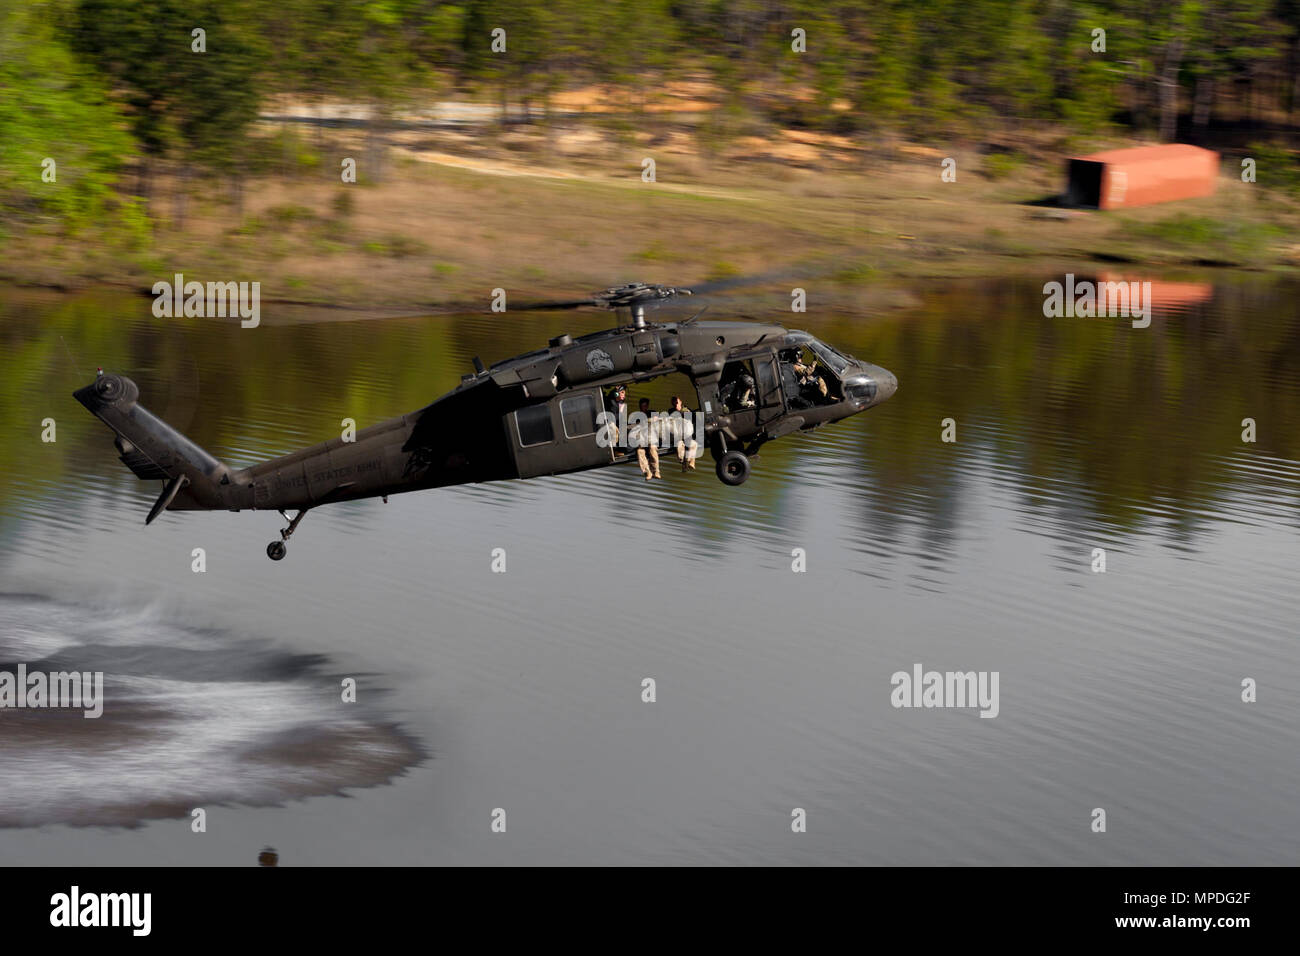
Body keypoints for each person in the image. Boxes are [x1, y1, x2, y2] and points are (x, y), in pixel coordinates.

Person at [629, 397, 661, 480]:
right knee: (640, 451)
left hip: (651, 438)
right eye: (643, 406)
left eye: (646, 405)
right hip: (642, 439)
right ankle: (647, 472)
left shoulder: (652, 413)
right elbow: (631, 427)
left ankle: (656, 471)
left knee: (652, 448)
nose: (644, 407)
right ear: (640, 406)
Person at [664, 395, 698, 471]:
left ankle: (691, 462)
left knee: (693, 444)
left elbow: (694, 418)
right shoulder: (671, 411)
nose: (675, 404)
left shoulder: (686, 409)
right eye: (674, 403)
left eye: (677, 402)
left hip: (686, 432)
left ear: (680, 402)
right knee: (679, 445)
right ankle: (685, 462)